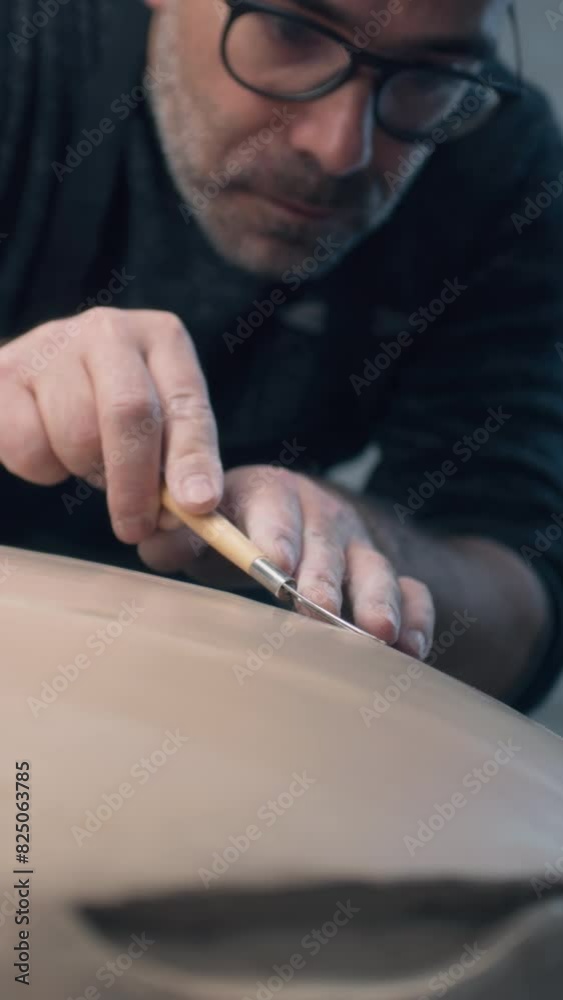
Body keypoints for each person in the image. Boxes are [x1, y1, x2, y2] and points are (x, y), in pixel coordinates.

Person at [1, 0, 563, 712]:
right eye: (292, 31)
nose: (339, 148)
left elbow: (522, 622)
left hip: (214, 723)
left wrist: (365, 546)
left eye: (432, 74)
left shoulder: (494, 161)